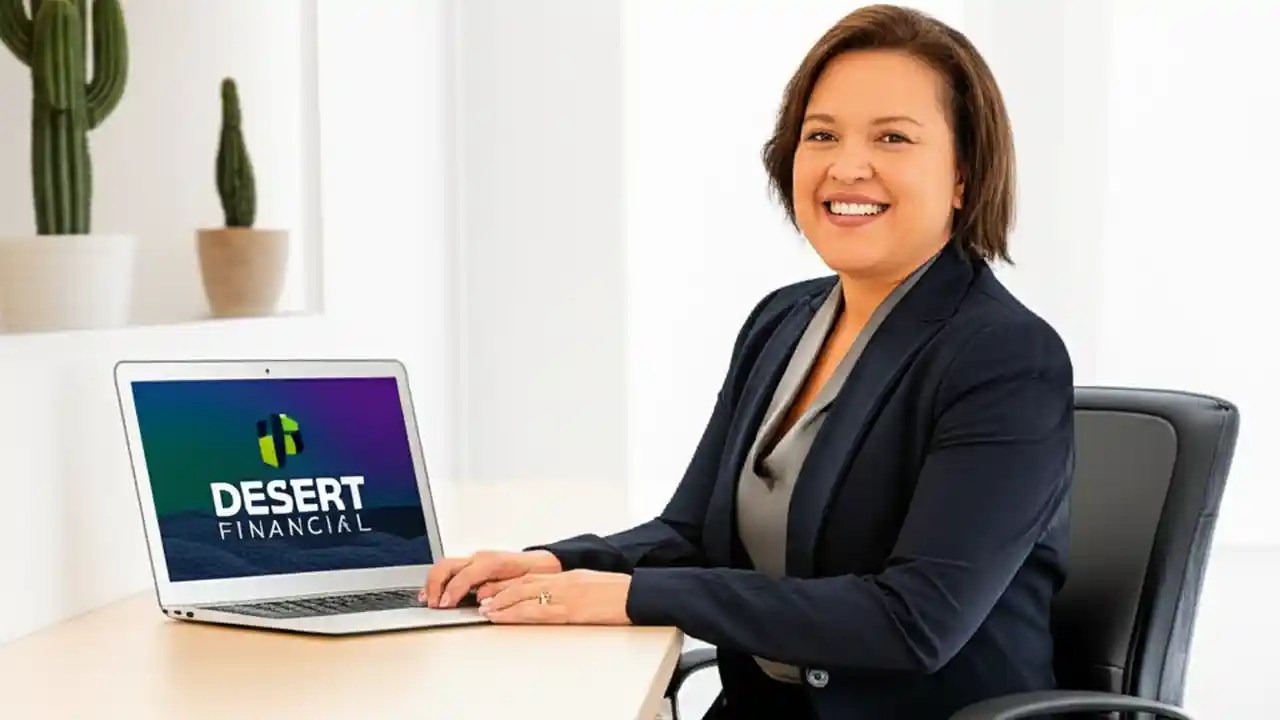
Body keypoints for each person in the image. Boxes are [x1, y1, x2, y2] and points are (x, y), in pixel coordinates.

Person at [421, 4, 1073, 719]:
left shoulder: (1005, 357)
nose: (846, 166)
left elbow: (913, 620)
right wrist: (556, 564)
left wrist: (634, 598)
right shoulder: (783, 321)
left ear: (962, 176)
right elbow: (694, 534)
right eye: (820, 135)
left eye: (892, 138)